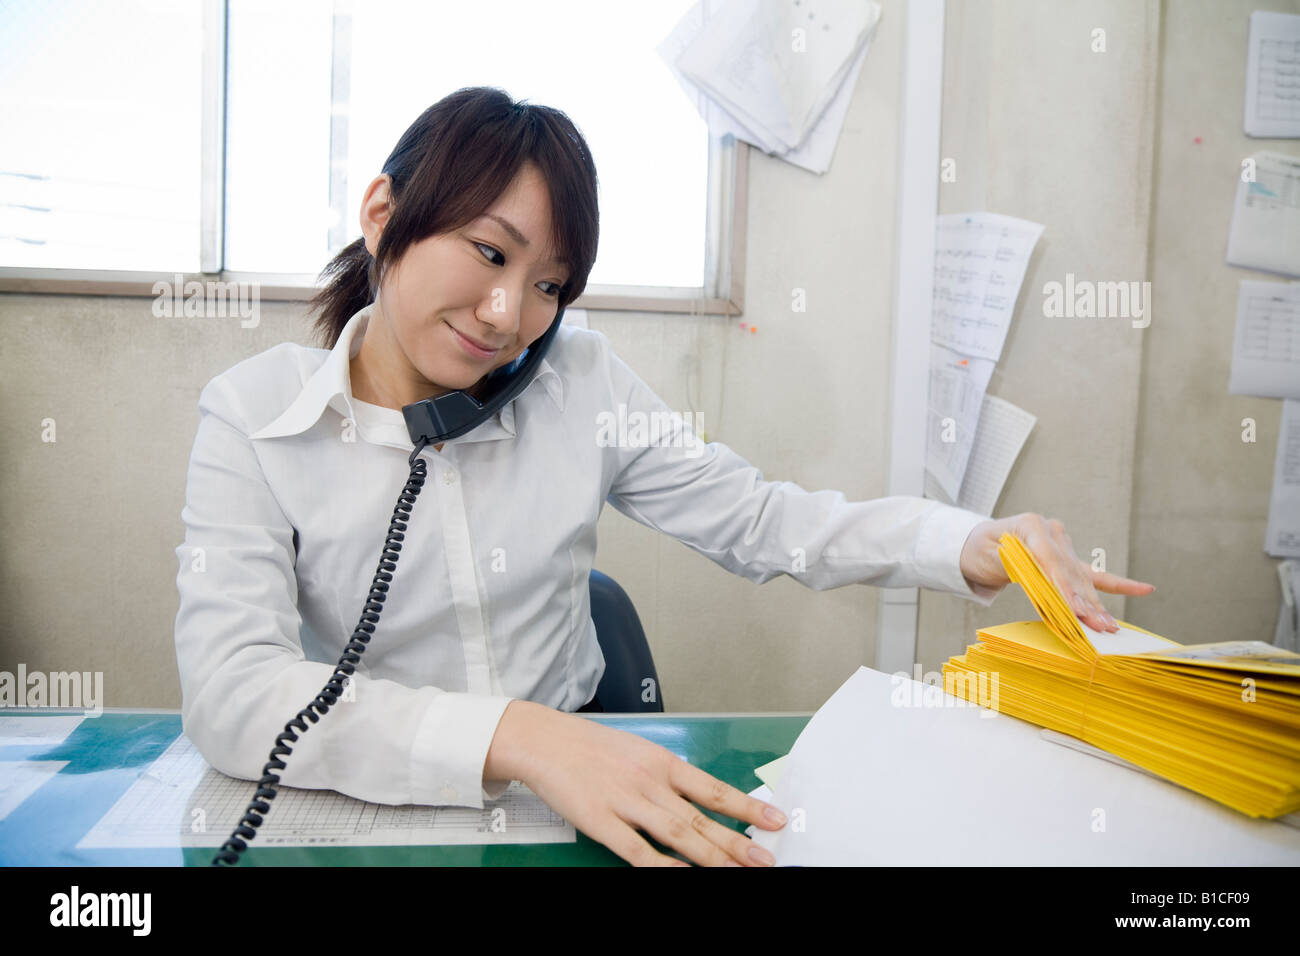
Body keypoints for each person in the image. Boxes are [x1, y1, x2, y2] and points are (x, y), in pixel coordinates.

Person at [173, 86, 1155, 868]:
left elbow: (764, 519)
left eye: (551, 283)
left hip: (577, 787)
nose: (509, 312)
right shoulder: (253, 416)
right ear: (385, 215)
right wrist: (516, 735)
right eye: (487, 251)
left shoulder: (581, 382)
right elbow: (234, 691)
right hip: (367, 802)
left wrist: (967, 541)